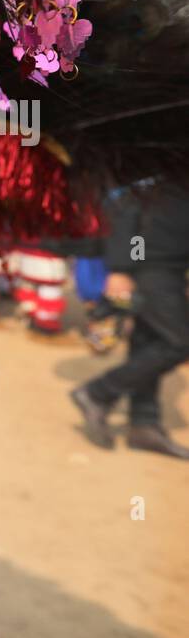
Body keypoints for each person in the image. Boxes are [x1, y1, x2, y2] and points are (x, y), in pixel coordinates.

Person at [71, 179, 189, 459]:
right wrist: (120, 268)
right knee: (180, 343)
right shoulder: (160, 153)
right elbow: (124, 202)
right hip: (148, 264)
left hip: (171, 267)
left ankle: (144, 424)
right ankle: (98, 393)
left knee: (148, 340)